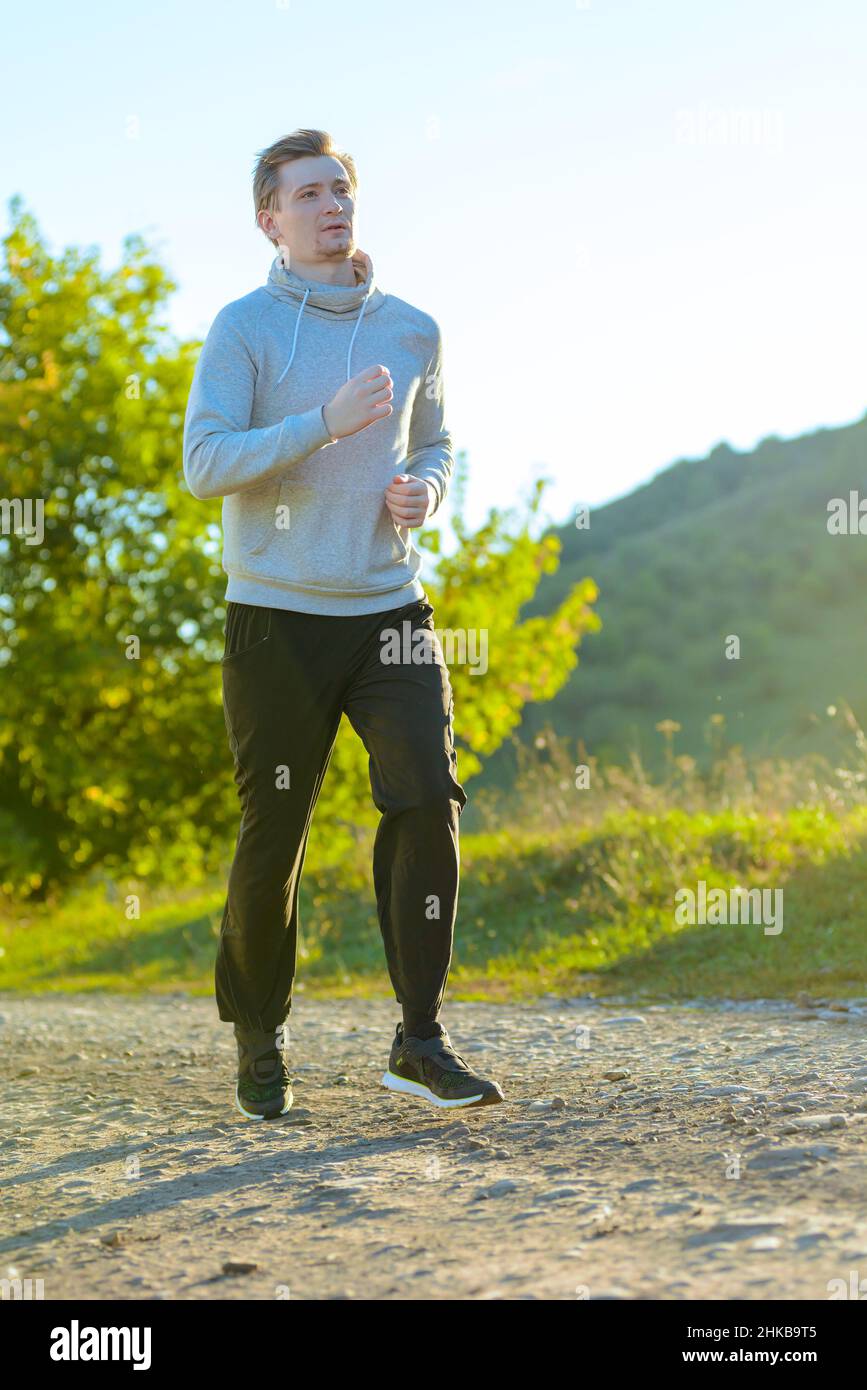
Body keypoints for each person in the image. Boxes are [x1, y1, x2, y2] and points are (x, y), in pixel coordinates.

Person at [182, 128, 504, 1119]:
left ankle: (419, 1038)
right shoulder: (241, 329)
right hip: (276, 615)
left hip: (388, 607)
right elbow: (205, 466)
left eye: (342, 192)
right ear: (268, 218)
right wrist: (322, 423)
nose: (331, 207)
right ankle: (257, 1033)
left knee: (427, 801)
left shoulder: (414, 329)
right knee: (274, 833)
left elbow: (440, 439)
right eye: (308, 194)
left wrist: (426, 491)